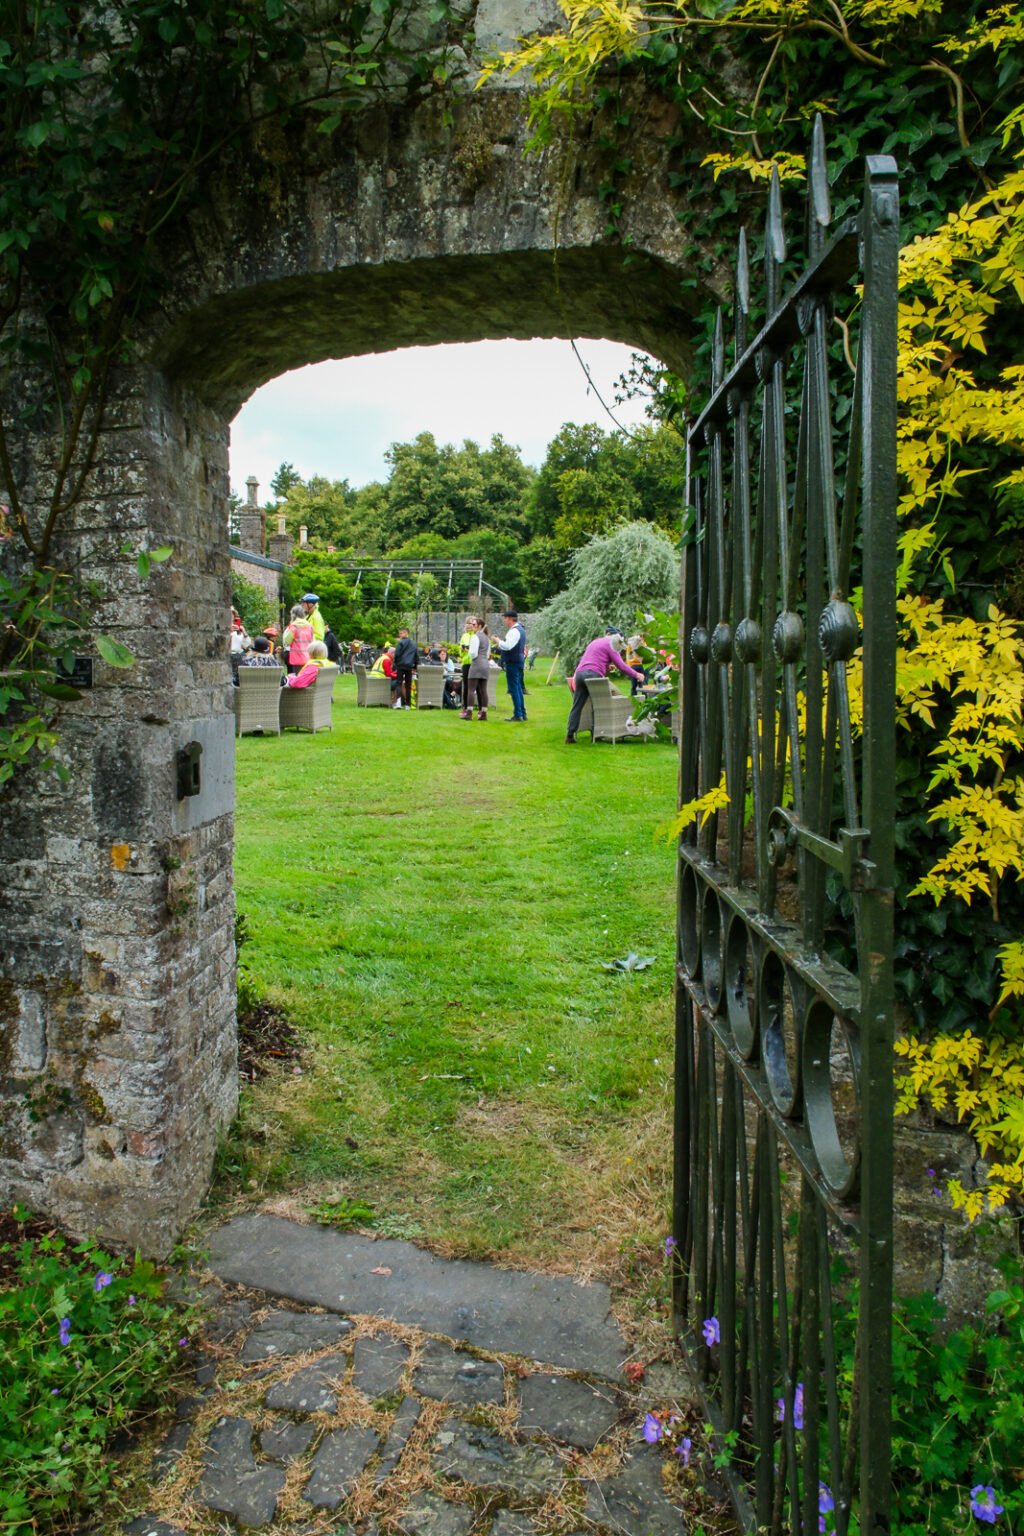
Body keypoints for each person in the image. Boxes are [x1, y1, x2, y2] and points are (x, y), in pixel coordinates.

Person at [565, 633, 645, 743]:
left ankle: (569, 735)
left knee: (577, 705)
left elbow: (591, 661)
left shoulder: (595, 642)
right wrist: (637, 675)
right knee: (598, 704)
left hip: (579, 674)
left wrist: (606, 668)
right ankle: (596, 734)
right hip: (593, 675)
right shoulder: (612, 645)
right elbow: (621, 666)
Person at [495, 608, 527, 722]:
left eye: (506, 618)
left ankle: (518, 714)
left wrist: (498, 641)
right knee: (518, 687)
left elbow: (508, 646)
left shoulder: (514, 631)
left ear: (510, 619)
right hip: (518, 660)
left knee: (513, 688)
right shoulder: (521, 630)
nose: (505, 621)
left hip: (513, 661)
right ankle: (522, 712)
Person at [460, 617, 490, 721]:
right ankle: (484, 713)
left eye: (474, 624)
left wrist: (467, 650)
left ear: (479, 626)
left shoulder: (475, 637)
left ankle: (469, 713)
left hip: (477, 664)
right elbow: (487, 653)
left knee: (471, 689)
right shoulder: (487, 638)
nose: (472, 626)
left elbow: (473, 654)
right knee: (483, 690)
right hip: (485, 664)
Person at [283, 603, 314, 674]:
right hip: (308, 657)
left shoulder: (293, 627)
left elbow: (287, 642)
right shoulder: (310, 626)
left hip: (296, 659)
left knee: (296, 679)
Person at [392, 626, 419, 709]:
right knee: (408, 685)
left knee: (399, 683)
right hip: (409, 666)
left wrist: (396, 663)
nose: (400, 635)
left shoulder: (401, 643)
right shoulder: (414, 644)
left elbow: (396, 654)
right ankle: (407, 704)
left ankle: (399, 703)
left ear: (406, 633)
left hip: (401, 665)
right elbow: (416, 656)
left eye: (401, 633)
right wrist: (415, 667)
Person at [457, 615, 477, 711]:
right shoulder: (464, 636)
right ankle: (465, 707)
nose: (469, 625)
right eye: (467, 623)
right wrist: (462, 649)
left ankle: (479, 707)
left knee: (476, 686)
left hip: (475, 663)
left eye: (471, 623)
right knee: (465, 686)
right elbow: (460, 653)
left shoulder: (476, 635)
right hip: (466, 663)